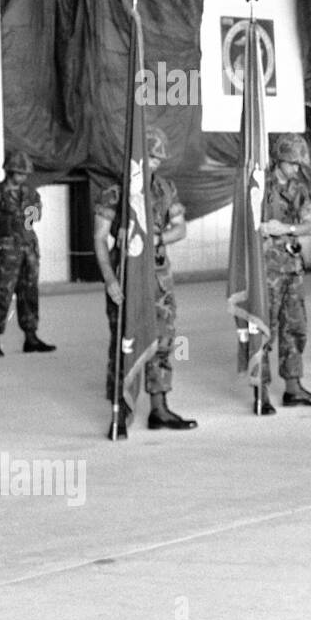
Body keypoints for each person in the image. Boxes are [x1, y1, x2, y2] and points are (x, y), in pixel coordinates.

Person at [93, 127, 198, 439]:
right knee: (124, 343)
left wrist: (155, 239)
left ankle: (159, 407)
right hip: (125, 277)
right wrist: (110, 279)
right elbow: (100, 239)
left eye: (157, 157)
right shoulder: (114, 192)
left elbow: (180, 229)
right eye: (150, 155)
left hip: (159, 279)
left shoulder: (166, 190)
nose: (154, 162)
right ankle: (121, 410)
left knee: (164, 342)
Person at [255, 133, 311, 414]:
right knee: (264, 328)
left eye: (299, 165)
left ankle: (293, 387)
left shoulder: (298, 188)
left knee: (295, 327)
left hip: (293, 268)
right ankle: (260, 389)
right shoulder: (261, 186)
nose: (297, 169)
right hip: (267, 269)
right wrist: (265, 228)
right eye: (293, 164)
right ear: (280, 159)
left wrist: (284, 229)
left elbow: (309, 226)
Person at [0, 151, 56, 358]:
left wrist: (28, 221)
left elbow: (32, 220)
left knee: (29, 293)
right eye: (19, 173)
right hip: (6, 251)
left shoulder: (30, 193)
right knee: (1, 295)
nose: (23, 177)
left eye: (25, 174)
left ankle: (31, 336)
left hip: (28, 249)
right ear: (9, 171)